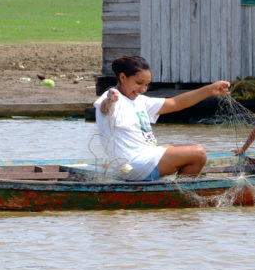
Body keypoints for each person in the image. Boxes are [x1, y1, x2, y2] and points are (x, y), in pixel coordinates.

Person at [93, 55, 231, 181]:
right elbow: (105, 108)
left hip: (143, 160)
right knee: (198, 153)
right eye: (139, 83)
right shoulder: (112, 97)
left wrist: (209, 90)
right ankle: (182, 196)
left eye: (146, 84)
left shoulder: (140, 100)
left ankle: (179, 194)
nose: (143, 89)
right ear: (122, 78)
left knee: (180, 147)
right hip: (133, 165)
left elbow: (175, 103)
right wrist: (110, 100)